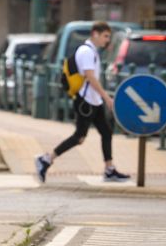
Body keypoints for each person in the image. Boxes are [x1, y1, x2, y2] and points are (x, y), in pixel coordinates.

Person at [36, 21, 130, 183]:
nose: (107, 40)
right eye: (105, 36)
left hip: (93, 100)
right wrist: (107, 97)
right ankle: (46, 159)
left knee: (106, 132)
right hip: (85, 101)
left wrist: (101, 98)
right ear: (95, 34)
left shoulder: (92, 51)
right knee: (79, 137)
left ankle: (109, 169)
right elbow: (90, 77)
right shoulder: (87, 51)